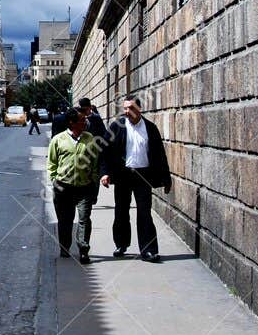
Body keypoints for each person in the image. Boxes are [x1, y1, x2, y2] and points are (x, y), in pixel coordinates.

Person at [99, 95, 171, 263]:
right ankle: (121, 244)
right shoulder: (117, 127)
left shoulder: (150, 128)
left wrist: (166, 179)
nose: (127, 111)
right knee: (121, 211)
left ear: (139, 109)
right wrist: (104, 173)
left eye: (130, 108)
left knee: (145, 213)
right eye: (125, 108)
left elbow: (160, 155)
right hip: (123, 175)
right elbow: (104, 152)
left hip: (143, 176)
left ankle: (149, 250)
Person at [47, 109, 100, 264]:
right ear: (72, 122)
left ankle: (83, 250)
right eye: (82, 120)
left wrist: (94, 184)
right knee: (65, 220)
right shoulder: (58, 140)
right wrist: (55, 180)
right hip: (64, 188)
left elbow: (95, 163)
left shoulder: (89, 139)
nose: (85, 123)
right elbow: (52, 163)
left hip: (85, 187)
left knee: (84, 219)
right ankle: (65, 247)